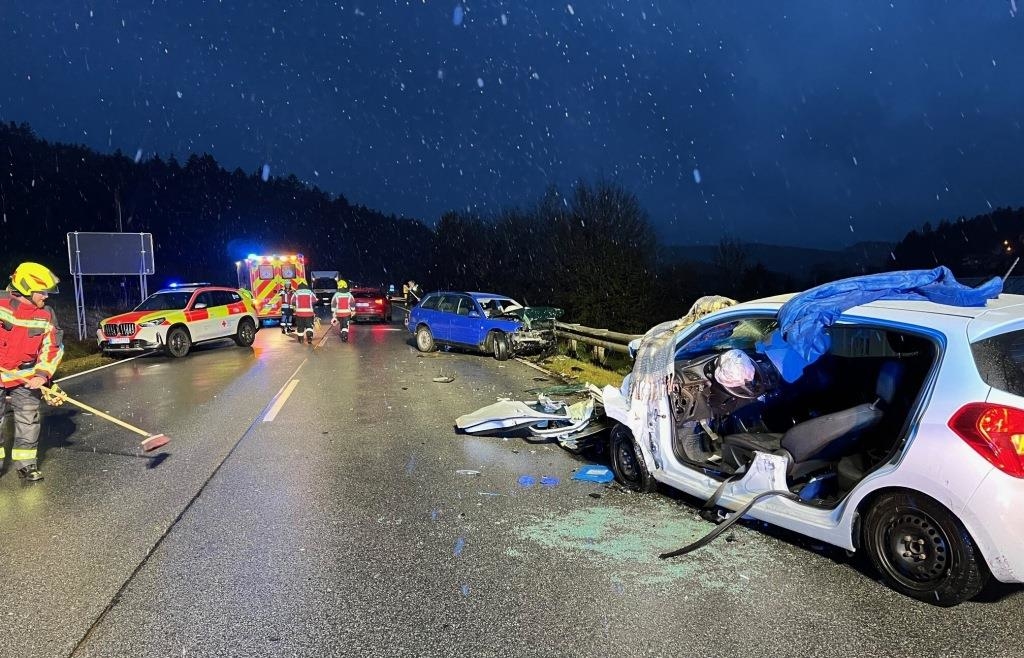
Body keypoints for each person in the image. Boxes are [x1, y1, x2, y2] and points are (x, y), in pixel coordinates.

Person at [0, 262, 64, 482]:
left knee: (29, 419)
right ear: (26, 288)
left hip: (26, 376)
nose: (46, 296)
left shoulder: (46, 314)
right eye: (42, 291)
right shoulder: (1, 303)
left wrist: (43, 376)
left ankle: (26, 464)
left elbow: (53, 346)